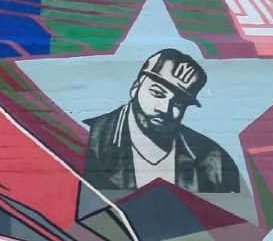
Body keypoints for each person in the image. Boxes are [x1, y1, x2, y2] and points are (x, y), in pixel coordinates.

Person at [81, 48, 240, 196]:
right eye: (157, 93)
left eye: (178, 103)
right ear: (135, 87)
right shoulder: (86, 140)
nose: (164, 109)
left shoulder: (213, 160)